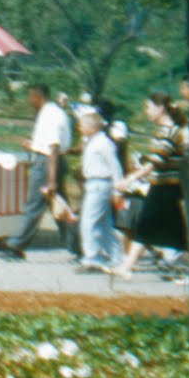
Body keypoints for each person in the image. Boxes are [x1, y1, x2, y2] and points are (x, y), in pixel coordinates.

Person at [112, 92, 189, 278]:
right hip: (163, 186)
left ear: (160, 108)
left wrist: (130, 179)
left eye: (148, 107)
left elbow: (155, 162)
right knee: (169, 231)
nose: (146, 112)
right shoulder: (166, 131)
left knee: (147, 226)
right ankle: (128, 267)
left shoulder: (170, 132)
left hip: (165, 188)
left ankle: (127, 267)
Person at [1, 83, 70, 260]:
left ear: (37, 96)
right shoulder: (51, 113)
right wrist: (33, 145)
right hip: (52, 161)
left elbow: (53, 147)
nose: (29, 101)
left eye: (30, 97)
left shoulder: (50, 115)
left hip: (48, 163)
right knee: (60, 206)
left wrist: (52, 180)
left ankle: (17, 245)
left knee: (35, 205)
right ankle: (78, 245)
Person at [73, 109, 124, 274]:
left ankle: (92, 258)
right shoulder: (92, 141)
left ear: (91, 127)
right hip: (94, 183)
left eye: (82, 126)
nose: (79, 128)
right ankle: (116, 257)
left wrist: (118, 189)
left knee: (88, 222)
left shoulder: (104, 143)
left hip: (100, 183)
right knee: (104, 223)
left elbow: (115, 167)